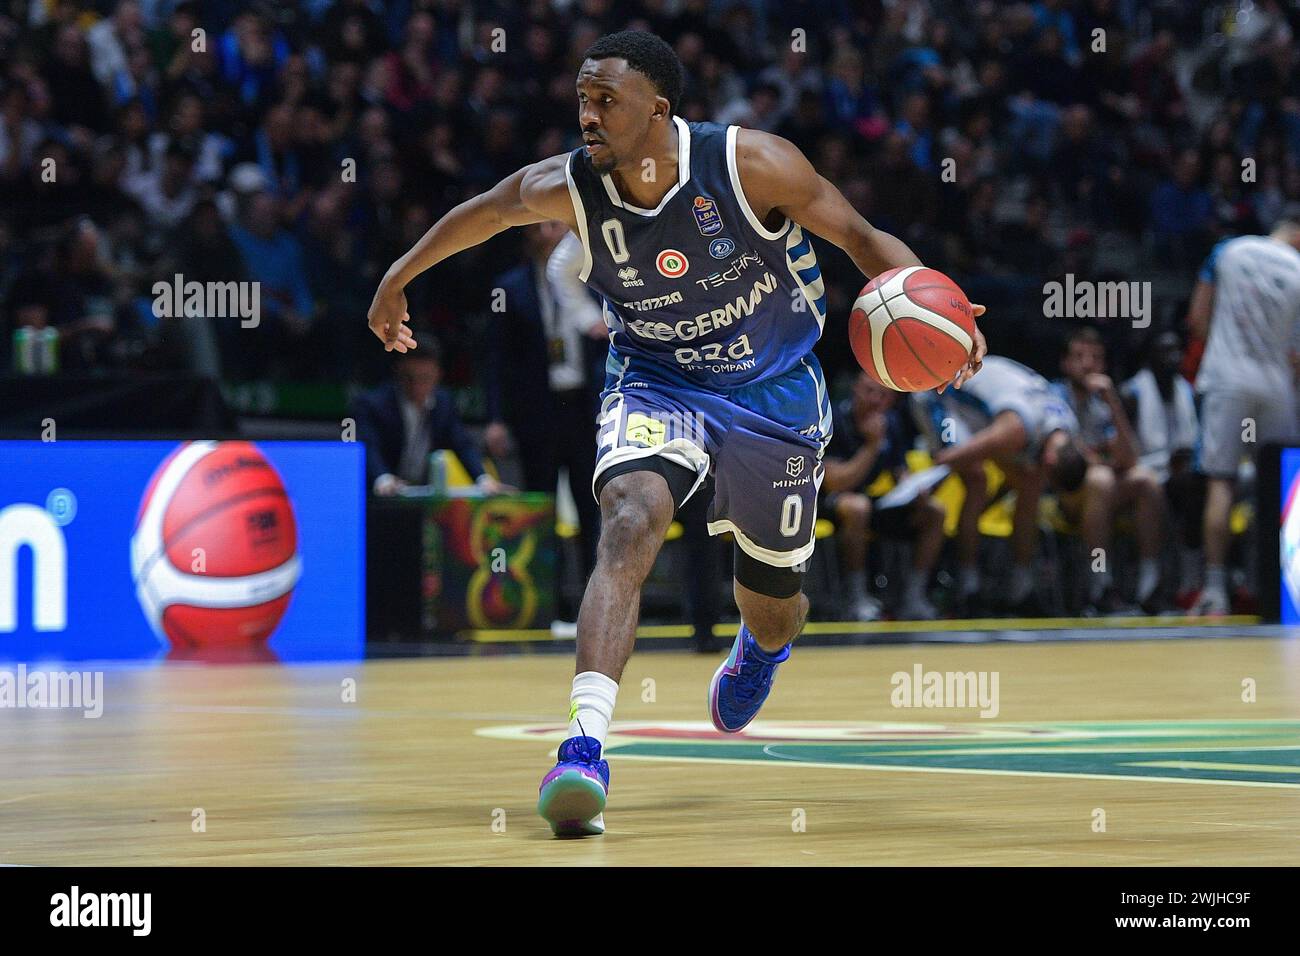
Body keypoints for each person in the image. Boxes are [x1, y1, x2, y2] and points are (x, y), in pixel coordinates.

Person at [367, 31, 985, 836]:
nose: (588, 115)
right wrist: (396, 278)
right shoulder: (570, 185)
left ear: (658, 110)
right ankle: (583, 749)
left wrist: (939, 308)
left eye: (607, 101)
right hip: (658, 378)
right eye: (582, 99)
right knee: (628, 521)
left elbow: (866, 243)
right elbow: (481, 215)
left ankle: (761, 650)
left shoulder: (752, 164)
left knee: (772, 603)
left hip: (775, 394)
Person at [1186, 218, 1300, 615]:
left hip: (1228, 380)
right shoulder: (1299, 269)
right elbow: (1297, 355)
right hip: (1277, 388)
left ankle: (1216, 590)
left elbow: (1196, 321)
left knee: (1222, 481)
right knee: (1284, 490)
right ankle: (1281, 586)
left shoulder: (1229, 251)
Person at [913, 355, 1086, 614]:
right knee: (976, 479)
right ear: (1050, 461)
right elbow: (949, 458)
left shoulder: (1068, 430)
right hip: (939, 393)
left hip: (984, 407)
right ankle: (967, 586)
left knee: (1030, 484)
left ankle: (1021, 586)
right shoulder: (1017, 428)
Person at [1052, 326, 1164, 612]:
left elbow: (1129, 460)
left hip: (1102, 491)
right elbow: (1072, 461)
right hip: (1061, 495)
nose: (1088, 364)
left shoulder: (1103, 403)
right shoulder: (1052, 396)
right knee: (1100, 479)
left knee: (1145, 480)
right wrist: (1101, 462)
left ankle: (1150, 584)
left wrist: (1113, 402)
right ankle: (1100, 585)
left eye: (1096, 358)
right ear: (1065, 363)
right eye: (1079, 356)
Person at [820, 371, 944, 621]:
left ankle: (914, 598)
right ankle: (855, 598)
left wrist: (914, 489)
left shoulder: (891, 422)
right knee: (858, 508)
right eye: (870, 391)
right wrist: (872, 445)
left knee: (934, 512)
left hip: (867, 501)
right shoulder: (832, 419)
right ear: (855, 390)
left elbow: (899, 469)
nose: (876, 400)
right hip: (822, 502)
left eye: (884, 395)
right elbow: (835, 482)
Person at [352, 342, 510, 497]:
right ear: (398, 372)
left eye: (424, 378)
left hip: (421, 498)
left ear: (438, 375)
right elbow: (368, 447)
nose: (416, 386)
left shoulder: (444, 404)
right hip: (379, 497)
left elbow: (463, 445)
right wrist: (383, 478)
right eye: (408, 378)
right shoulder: (373, 404)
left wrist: (483, 479)